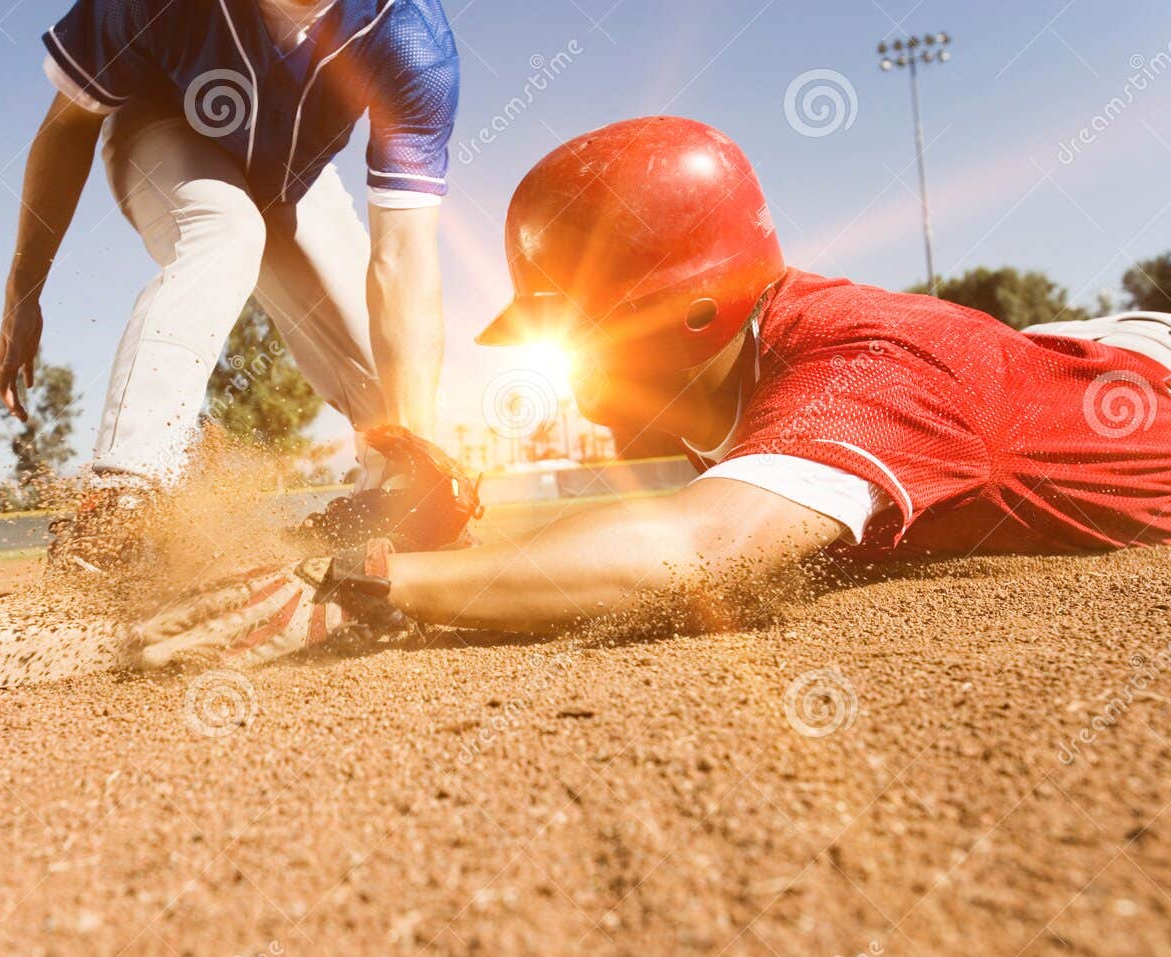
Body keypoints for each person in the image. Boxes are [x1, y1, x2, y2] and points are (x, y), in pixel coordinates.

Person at [135, 116, 1171, 667]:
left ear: (694, 317)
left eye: (581, 330)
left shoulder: (863, 370)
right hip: (1054, 359)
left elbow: (693, 548)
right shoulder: (734, 366)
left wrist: (366, 585)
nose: (570, 366)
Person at [0, 1, 463, 565]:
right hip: (161, 129)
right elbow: (69, 124)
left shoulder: (409, 34)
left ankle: (384, 518)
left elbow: (404, 253)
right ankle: (120, 499)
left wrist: (418, 458)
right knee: (226, 231)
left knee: (396, 393)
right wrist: (24, 289)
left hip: (292, 174)